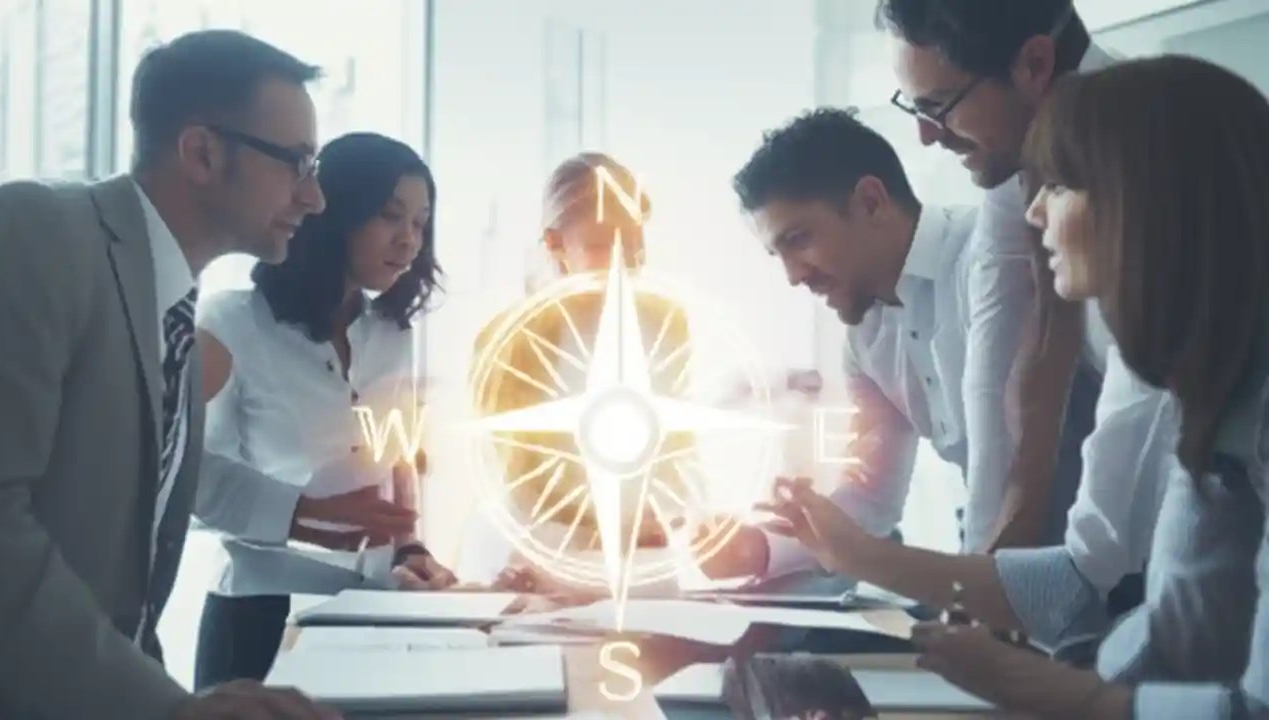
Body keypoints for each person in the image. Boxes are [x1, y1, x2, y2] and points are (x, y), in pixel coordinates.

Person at [778, 56, 1269, 717]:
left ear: (1149, 203)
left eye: (1060, 185)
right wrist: (851, 552)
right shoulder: (1205, 393)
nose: (1033, 214)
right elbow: (1136, 610)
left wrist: (1059, 693)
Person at [0, 30, 339, 720]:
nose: (316, 197)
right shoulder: (39, 232)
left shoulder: (176, 309)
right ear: (202, 153)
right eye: (297, 163)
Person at [697, 107, 1093, 588]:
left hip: (1109, 565)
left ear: (870, 202)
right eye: (777, 254)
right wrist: (757, 548)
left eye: (798, 239)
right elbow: (872, 499)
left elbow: (1016, 461)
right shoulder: (865, 341)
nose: (793, 275)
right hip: (1008, 578)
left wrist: (974, 600)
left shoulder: (991, 263)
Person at [877, 0, 1162, 620]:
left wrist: (986, 590)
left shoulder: (1155, 172)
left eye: (938, 106)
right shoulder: (1030, 149)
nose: (926, 135)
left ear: (1035, 63)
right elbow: (1010, 363)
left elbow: (1095, 556)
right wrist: (987, 565)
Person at [192, 132, 458, 687]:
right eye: (390, 216)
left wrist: (412, 550)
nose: (409, 240)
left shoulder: (392, 335)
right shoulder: (230, 324)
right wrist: (301, 513)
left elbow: (395, 461)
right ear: (334, 213)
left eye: (420, 222)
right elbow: (189, 479)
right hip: (259, 616)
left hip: (378, 615)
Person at [458, 151, 692, 593]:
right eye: (603, 246)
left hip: (636, 550)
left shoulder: (667, 322)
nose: (623, 262)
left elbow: (676, 449)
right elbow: (511, 475)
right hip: (533, 544)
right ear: (554, 245)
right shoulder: (508, 338)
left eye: (635, 245)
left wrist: (659, 511)